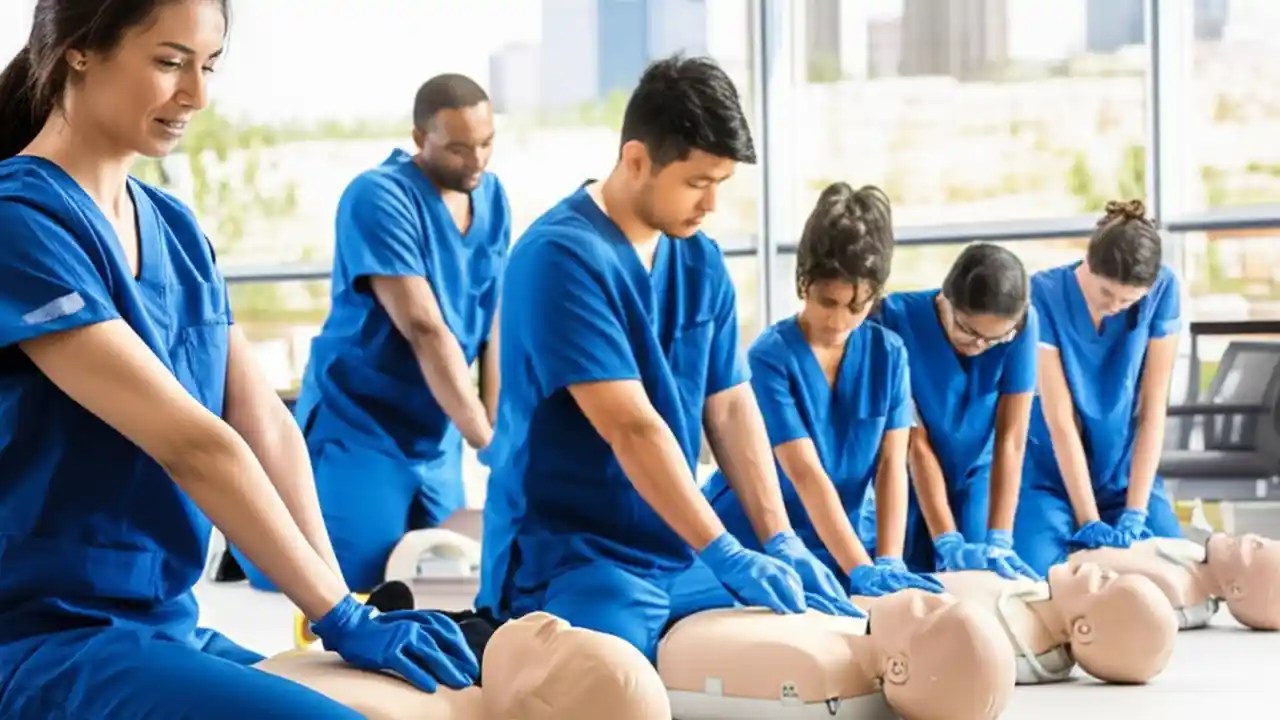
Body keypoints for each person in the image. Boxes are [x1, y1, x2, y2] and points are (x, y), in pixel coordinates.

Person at [0, 2, 478, 717]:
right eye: (170, 62)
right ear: (79, 51)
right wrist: (338, 616)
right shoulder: (20, 221)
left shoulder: (175, 229)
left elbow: (265, 425)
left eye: (210, 66)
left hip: (167, 629)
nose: (197, 95)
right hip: (50, 641)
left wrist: (341, 605)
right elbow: (194, 443)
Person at [477, 55, 851, 663]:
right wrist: (725, 552)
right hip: (576, 558)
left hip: (677, 547)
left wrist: (779, 538)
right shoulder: (559, 258)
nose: (711, 204)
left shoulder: (699, 259)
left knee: (799, 632)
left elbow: (730, 408)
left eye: (721, 184)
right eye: (698, 183)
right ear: (636, 161)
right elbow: (631, 425)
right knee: (612, 678)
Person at [234, 74, 509, 592]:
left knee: (446, 569)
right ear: (419, 138)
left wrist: (499, 427)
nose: (476, 160)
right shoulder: (377, 197)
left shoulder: (491, 197)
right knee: (338, 575)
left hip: (435, 428)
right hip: (362, 420)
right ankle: (246, 524)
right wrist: (487, 443)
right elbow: (425, 328)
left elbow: (491, 315)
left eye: (486, 143)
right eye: (458, 149)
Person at [699, 183, 943, 600]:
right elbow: (804, 472)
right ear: (804, 283)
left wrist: (887, 560)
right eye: (828, 302)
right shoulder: (770, 357)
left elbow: (891, 466)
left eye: (856, 307)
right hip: (763, 539)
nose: (839, 321)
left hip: (845, 538)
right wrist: (860, 568)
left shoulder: (889, 354)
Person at [1014, 200, 1183, 575]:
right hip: (1052, 472)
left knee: (1172, 563)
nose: (1117, 306)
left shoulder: (1164, 288)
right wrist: (1089, 519)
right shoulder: (1043, 293)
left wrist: (1136, 511)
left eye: (1130, 300)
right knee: (1044, 573)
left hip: (1123, 470)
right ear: (1088, 262)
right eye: (1107, 293)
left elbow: (1153, 410)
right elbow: (1060, 419)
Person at [870, 244, 1040, 580]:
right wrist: (946, 539)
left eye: (995, 339)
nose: (980, 345)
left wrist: (1000, 537)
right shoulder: (894, 320)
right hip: (907, 472)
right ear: (945, 301)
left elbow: (1011, 437)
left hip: (980, 470)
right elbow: (914, 442)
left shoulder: (1021, 326)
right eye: (969, 331)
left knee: (985, 573)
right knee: (914, 578)